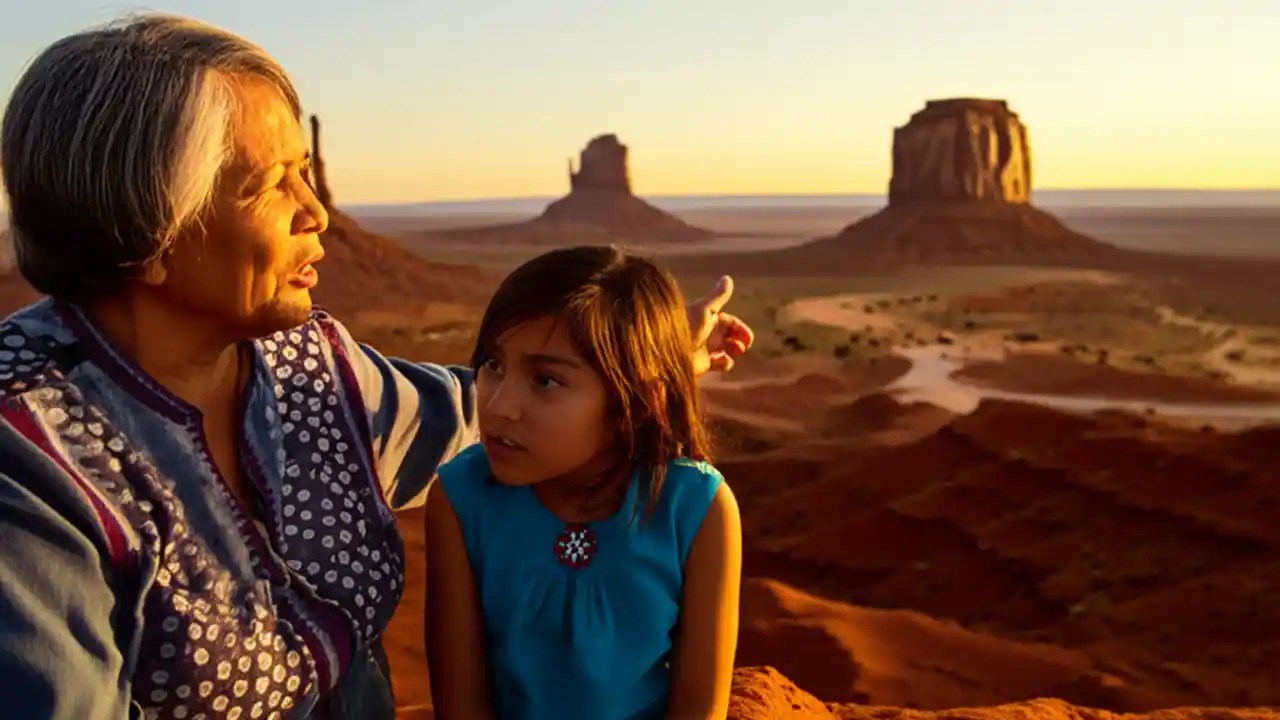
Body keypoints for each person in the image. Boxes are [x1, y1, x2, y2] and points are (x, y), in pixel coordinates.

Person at [0, 14, 753, 720]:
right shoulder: (29, 456)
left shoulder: (302, 365)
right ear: (150, 230)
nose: (317, 211)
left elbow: (471, 415)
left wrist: (651, 362)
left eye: (307, 172)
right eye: (271, 186)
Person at [426, 246, 743, 720]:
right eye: (493, 365)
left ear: (632, 401)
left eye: (546, 381)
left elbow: (700, 707)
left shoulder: (695, 506)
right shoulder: (460, 498)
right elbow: (461, 706)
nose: (498, 406)